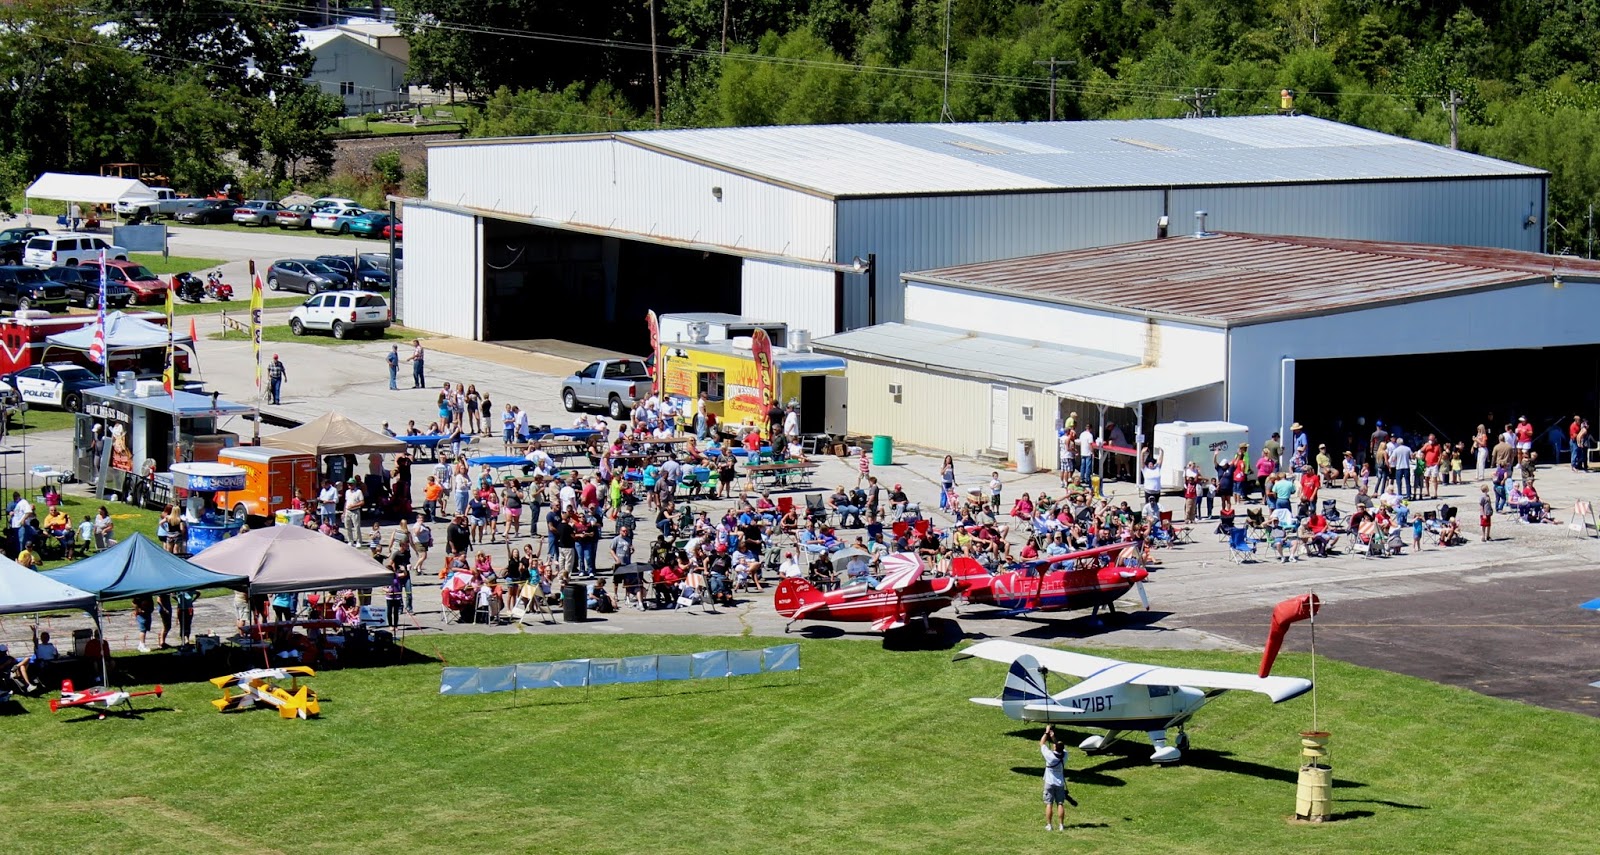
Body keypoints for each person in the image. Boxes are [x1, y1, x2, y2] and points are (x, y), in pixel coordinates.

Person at [1041, 725, 1075, 830]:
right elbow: (1060, 748)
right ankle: (1061, 825)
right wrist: (1053, 737)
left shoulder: (1050, 756)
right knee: (1060, 803)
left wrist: (1047, 732)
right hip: (1060, 783)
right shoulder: (1065, 755)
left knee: (1049, 804)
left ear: (1055, 747)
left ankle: (1049, 825)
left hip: (1049, 783)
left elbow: (1042, 743)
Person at [15, 627, 57, 692]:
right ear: (41, 638)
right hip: (42, 663)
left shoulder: (51, 646)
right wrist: (35, 632)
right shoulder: (38, 646)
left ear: (48, 638)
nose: (45, 638)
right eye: (43, 637)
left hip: (51, 662)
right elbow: (35, 641)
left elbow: (56, 655)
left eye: (46, 637)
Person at [343, 479, 365, 544]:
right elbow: (346, 502)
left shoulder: (358, 492)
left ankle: (358, 541)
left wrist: (353, 506)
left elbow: (362, 502)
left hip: (355, 511)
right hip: (347, 511)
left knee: (356, 527)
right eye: (348, 484)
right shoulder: (347, 492)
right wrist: (344, 512)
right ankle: (350, 540)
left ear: (354, 484)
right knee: (347, 527)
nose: (349, 485)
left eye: (351, 484)